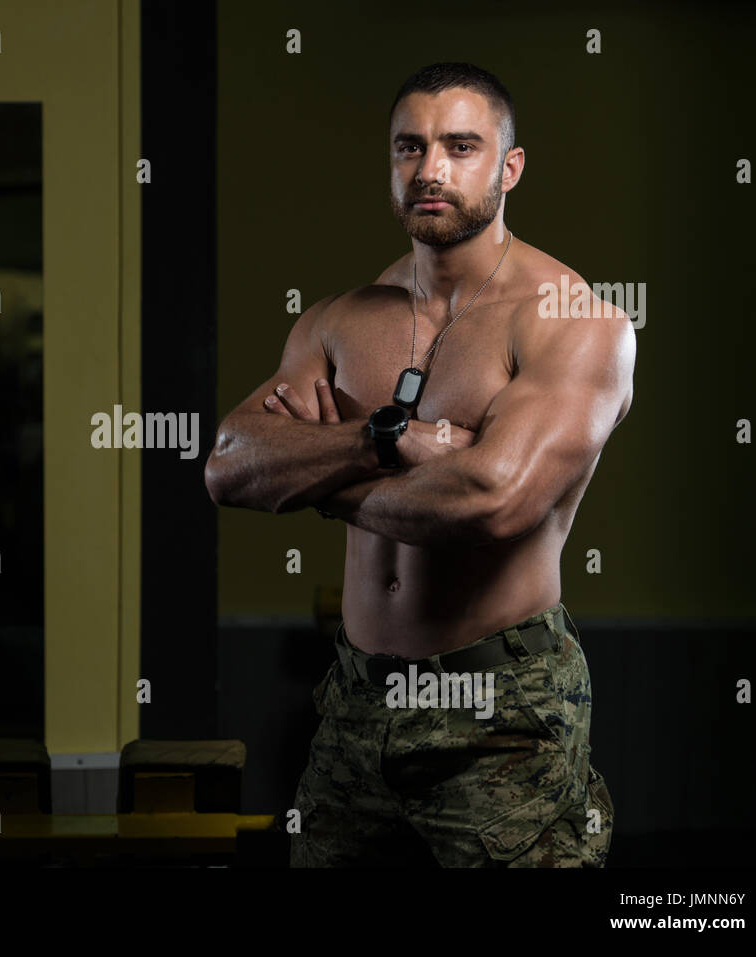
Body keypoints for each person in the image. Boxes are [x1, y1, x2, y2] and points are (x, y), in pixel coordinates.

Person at [204, 62, 635, 866]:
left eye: (460, 146)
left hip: (501, 708)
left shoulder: (574, 320)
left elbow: (491, 499)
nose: (431, 169)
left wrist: (319, 482)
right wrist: (382, 438)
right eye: (411, 147)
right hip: (357, 699)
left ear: (509, 168)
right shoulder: (339, 318)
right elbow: (230, 464)